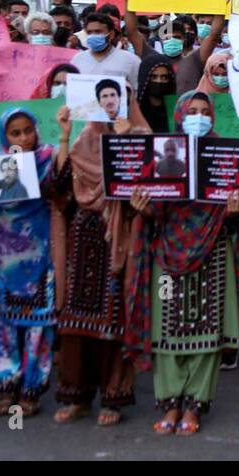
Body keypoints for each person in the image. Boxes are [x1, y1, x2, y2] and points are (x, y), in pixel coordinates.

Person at [125, 91, 239, 437]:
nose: (198, 117)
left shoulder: (226, 153)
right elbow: (155, 212)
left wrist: (236, 211)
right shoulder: (164, 155)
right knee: (166, 329)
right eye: (191, 111)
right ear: (179, 115)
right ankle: (170, 403)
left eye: (204, 112)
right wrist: (142, 207)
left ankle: (195, 404)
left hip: (213, 250)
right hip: (168, 251)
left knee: (207, 332)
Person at [50, 100, 146, 425]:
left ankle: (112, 397)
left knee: (112, 324)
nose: (108, 107)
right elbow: (60, 191)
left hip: (118, 242)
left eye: (116, 100)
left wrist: (128, 140)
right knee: (75, 323)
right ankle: (75, 396)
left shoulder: (139, 138)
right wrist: (64, 136)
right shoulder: (83, 142)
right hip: (82, 241)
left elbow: (144, 190)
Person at [0, 108, 58, 418]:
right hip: (3, 261)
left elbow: (61, 194)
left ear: (36, 131)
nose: (22, 138)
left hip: (40, 257)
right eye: (15, 133)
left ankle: (31, 390)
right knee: (3, 324)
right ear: (4, 136)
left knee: (39, 327)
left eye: (27, 131)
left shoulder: (50, 159)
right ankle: (6, 387)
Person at [72, 11, 141, 91]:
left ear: (111, 35)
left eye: (98, 32)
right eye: (89, 32)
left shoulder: (130, 60)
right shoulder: (77, 59)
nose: (93, 36)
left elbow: (137, 90)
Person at [136, 55, 177, 134]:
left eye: (164, 77)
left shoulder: (176, 109)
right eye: (154, 77)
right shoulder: (134, 110)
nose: (159, 81)